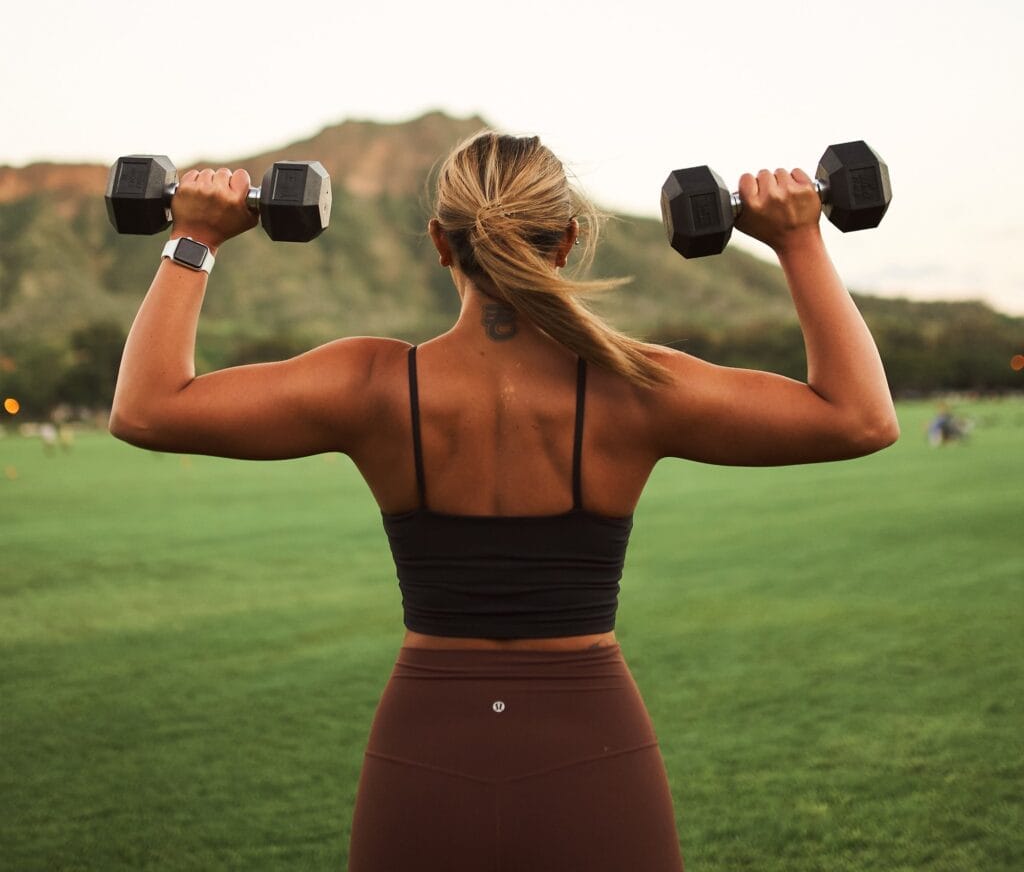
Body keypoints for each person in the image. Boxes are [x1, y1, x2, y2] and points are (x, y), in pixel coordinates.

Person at [109, 131, 899, 871]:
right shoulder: (638, 385)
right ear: (569, 241)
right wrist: (799, 240)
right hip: (593, 745)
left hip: (426, 743)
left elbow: (146, 409)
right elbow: (860, 418)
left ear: (439, 243)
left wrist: (197, 238)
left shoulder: (369, 385)